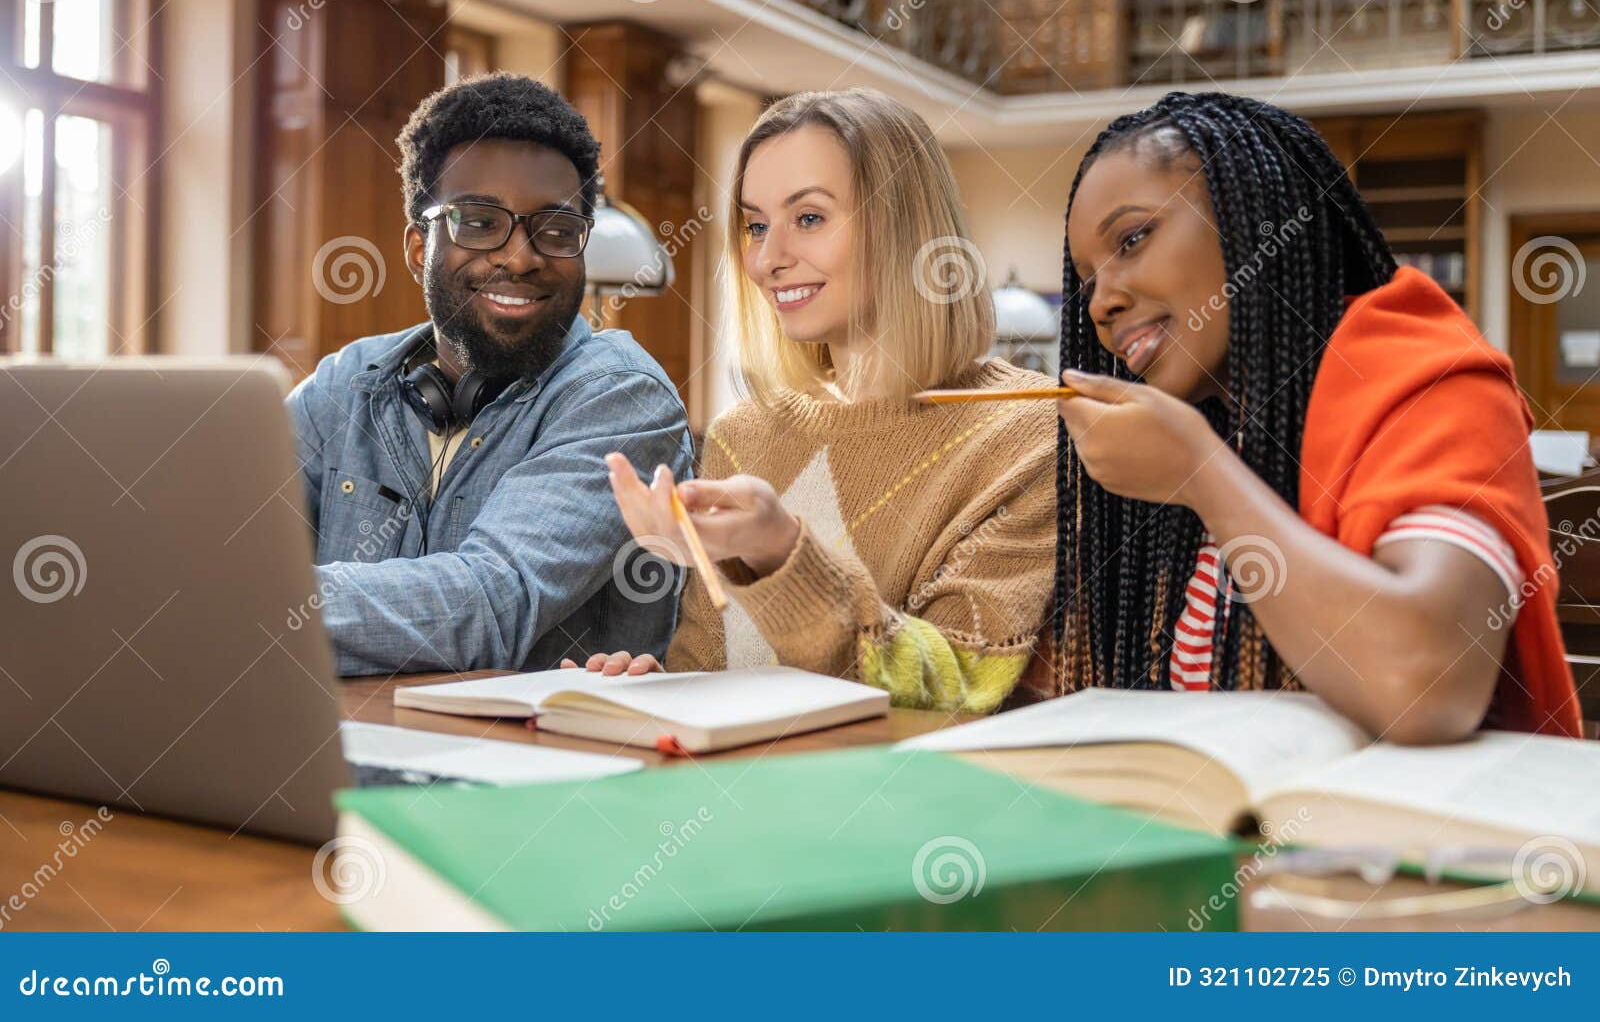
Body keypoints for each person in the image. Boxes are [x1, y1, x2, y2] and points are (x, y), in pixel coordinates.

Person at [1052, 90, 1580, 742]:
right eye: (1086, 281)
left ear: (1251, 213)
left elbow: (1428, 682)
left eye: (1132, 239)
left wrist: (1201, 474)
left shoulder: (1428, 375)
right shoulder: (1222, 422)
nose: (1101, 301)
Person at [566, 88, 1058, 713]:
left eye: (809, 218)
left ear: (905, 226)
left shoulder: (1027, 431)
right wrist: (660, 687)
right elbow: (711, 668)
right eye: (755, 225)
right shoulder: (744, 433)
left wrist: (782, 552)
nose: (769, 259)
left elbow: (956, 688)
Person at [287, 73, 693, 675]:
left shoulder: (621, 396)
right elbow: (225, 540)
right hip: (342, 750)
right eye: (478, 222)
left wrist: (251, 606)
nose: (521, 257)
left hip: (542, 764)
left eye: (555, 231)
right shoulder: (347, 384)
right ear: (419, 248)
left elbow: (489, 604)